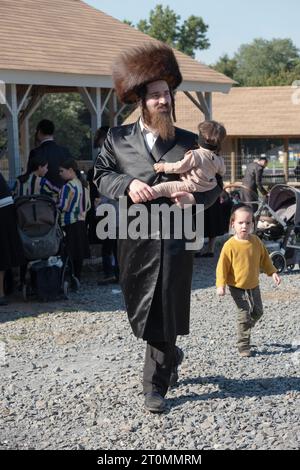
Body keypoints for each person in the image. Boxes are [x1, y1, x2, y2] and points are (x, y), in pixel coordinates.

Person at [94, 42, 222, 413]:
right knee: (141, 309)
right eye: (156, 96)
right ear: (141, 100)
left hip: (175, 239)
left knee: (165, 307)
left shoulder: (189, 143)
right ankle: (171, 353)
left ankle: (155, 384)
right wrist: (127, 185)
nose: (165, 101)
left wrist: (195, 201)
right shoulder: (117, 140)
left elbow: (212, 187)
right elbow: (101, 176)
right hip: (132, 239)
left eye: (167, 94)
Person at [216, 204, 281, 357]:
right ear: (233, 224)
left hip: (253, 285)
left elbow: (265, 259)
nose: (244, 226)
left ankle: (244, 327)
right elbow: (222, 267)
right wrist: (221, 285)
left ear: (253, 224)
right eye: (240, 223)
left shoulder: (256, 242)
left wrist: (273, 273)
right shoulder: (229, 246)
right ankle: (243, 345)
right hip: (236, 286)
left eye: (248, 223)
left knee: (258, 312)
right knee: (244, 313)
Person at [152, 120, 226, 208]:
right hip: (208, 187)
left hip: (189, 185)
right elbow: (222, 172)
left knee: (162, 188)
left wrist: (164, 167)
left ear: (202, 139)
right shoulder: (219, 159)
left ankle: (146, 194)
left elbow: (180, 167)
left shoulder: (196, 155)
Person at [58, 159, 90, 283]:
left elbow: (63, 206)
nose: (60, 174)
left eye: (62, 171)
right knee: (79, 254)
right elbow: (88, 206)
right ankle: (77, 277)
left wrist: (56, 202)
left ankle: (70, 278)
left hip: (69, 223)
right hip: (81, 222)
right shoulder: (84, 185)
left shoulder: (68, 186)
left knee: (69, 253)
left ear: (70, 170)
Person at [0, 172, 25, 305]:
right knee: (5, 252)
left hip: (2, 211)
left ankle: (1, 293)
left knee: (2, 254)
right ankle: (5, 289)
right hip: (7, 209)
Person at [27, 119, 72, 188]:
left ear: (39, 132)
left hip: (41, 196)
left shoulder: (35, 153)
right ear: (52, 132)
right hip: (62, 193)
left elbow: (30, 176)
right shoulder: (65, 151)